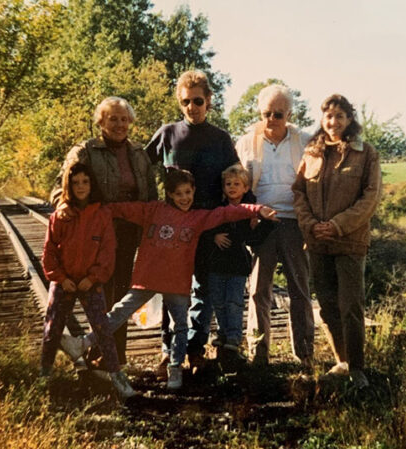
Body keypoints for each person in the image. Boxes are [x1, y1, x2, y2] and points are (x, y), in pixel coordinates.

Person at [70, 169, 278, 390]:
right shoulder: (152, 210)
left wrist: (258, 209)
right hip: (148, 278)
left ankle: (175, 368)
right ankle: (84, 342)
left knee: (180, 326)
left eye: (188, 192)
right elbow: (121, 209)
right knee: (119, 312)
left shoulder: (198, 217)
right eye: (179, 194)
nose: (185, 198)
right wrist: (88, 209)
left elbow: (228, 213)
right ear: (169, 194)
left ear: (194, 191)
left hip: (177, 283)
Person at [51, 97, 157, 370]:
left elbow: (151, 194)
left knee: (121, 292)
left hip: (130, 230)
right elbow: (60, 187)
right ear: (101, 122)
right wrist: (63, 205)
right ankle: (99, 352)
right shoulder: (85, 151)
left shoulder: (138, 153)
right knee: (99, 292)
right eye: (113, 119)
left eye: (124, 119)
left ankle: (115, 355)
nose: (119, 124)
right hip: (96, 232)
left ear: (131, 122)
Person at [146, 70, 241, 375]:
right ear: (180, 102)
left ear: (209, 101)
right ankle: (167, 350)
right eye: (186, 101)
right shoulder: (167, 134)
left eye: (198, 100)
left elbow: (235, 181)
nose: (192, 107)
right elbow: (139, 166)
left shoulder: (221, 139)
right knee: (170, 288)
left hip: (207, 227)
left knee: (203, 291)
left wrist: (234, 221)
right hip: (172, 228)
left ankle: (195, 350)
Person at [292, 94, 382, 388]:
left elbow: (370, 198)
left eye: (340, 116)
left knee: (351, 305)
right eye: (329, 116)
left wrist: (338, 225)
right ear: (322, 119)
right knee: (328, 306)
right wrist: (310, 226)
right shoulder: (312, 153)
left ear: (349, 120)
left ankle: (357, 369)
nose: (333, 122)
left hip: (350, 243)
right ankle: (341, 362)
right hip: (318, 243)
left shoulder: (365, 153)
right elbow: (299, 193)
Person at [40, 161, 137, 399]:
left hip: (89, 282)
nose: (80, 186)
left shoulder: (101, 214)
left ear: (92, 184)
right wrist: (61, 279)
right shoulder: (60, 215)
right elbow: (49, 252)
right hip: (65, 282)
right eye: (75, 183)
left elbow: (107, 250)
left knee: (103, 329)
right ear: (68, 186)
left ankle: (117, 376)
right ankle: (45, 375)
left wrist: (94, 277)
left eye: (85, 182)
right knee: (52, 328)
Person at [235, 84, 315, 367]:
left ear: (289, 114)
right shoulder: (245, 142)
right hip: (261, 223)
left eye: (278, 114)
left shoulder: (305, 140)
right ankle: (258, 349)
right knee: (258, 289)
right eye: (266, 113)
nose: (271, 119)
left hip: (295, 222)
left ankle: (304, 352)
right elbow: (237, 184)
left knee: (300, 288)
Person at [201, 164, 274, 363]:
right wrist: (214, 236)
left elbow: (252, 239)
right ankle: (222, 333)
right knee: (218, 302)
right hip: (216, 264)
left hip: (237, 266)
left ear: (245, 188)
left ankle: (233, 337)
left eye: (237, 184)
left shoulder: (248, 213)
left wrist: (267, 222)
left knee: (234, 301)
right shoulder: (218, 209)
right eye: (228, 184)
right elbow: (203, 227)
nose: (232, 187)